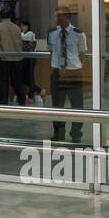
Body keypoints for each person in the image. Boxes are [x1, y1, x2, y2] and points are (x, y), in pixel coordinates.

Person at [48, 11, 87, 143]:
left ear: (68, 17)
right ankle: (59, 133)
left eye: (60, 15)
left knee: (77, 105)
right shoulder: (52, 33)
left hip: (73, 73)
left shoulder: (78, 33)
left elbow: (82, 53)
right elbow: (51, 51)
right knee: (57, 105)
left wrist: (75, 67)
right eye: (56, 15)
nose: (57, 18)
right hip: (58, 73)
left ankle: (76, 133)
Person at [0, 7, 24, 105]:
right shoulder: (17, 27)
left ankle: (3, 103)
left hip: (4, 59)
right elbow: (20, 43)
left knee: (3, 83)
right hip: (17, 58)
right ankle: (21, 100)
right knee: (17, 82)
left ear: (0, 16)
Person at [19, 20, 41, 104]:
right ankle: (39, 90)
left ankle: (31, 97)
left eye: (23, 25)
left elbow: (22, 39)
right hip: (24, 58)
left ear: (27, 26)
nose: (22, 27)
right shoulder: (22, 34)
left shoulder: (30, 33)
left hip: (31, 58)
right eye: (21, 26)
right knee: (25, 79)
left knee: (31, 78)